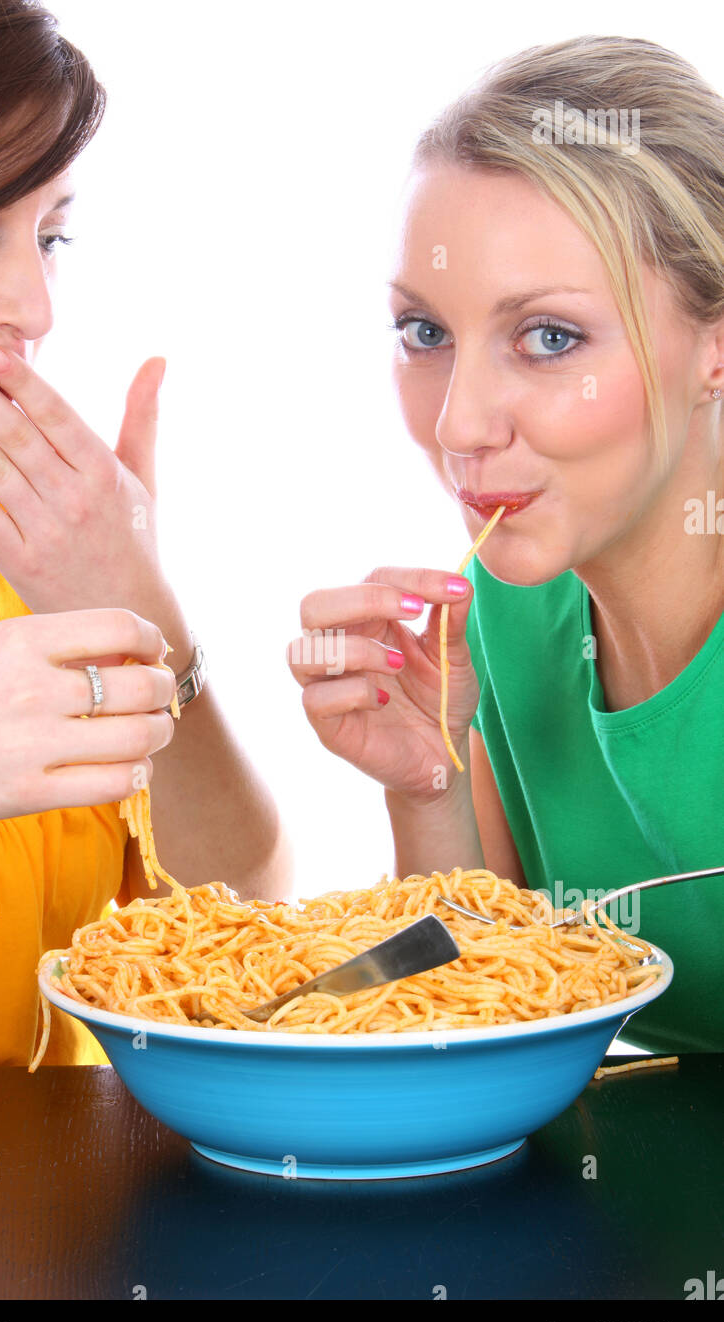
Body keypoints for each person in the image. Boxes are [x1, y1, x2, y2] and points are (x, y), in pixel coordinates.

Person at [0, 0, 292, 1067]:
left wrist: (151, 627)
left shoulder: (13, 525)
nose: (35, 307)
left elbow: (246, 936)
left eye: (51, 236)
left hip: (61, 1223)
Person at [289, 34, 724, 1052]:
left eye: (547, 338)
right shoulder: (508, 610)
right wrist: (424, 784)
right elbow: (478, 1015)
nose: (457, 426)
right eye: (424, 334)